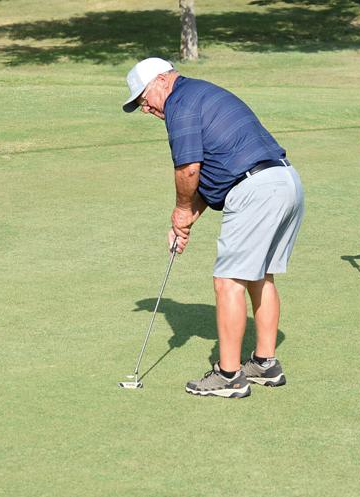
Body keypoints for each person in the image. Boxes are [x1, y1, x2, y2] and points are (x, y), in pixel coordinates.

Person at [122, 58, 305, 399]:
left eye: (144, 99)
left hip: (256, 190)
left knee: (228, 281)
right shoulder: (200, 93)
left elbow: (189, 170)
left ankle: (229, 376)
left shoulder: (179, 104)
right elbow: (216, 175)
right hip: (285, 181)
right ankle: (264, 364)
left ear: (162, 80)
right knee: (260, 276)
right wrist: (187, 220)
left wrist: (181, 210)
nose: (145, 109)